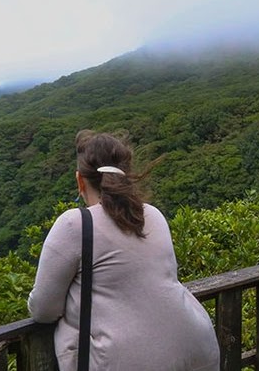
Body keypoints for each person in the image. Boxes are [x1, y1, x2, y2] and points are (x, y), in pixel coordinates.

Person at [27, 131, 220, 371]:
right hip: (195, 346)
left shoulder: (75, 224)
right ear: (125, 175)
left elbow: (43, 309)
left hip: (128, 360)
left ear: (80, 181)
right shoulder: (153, 215)